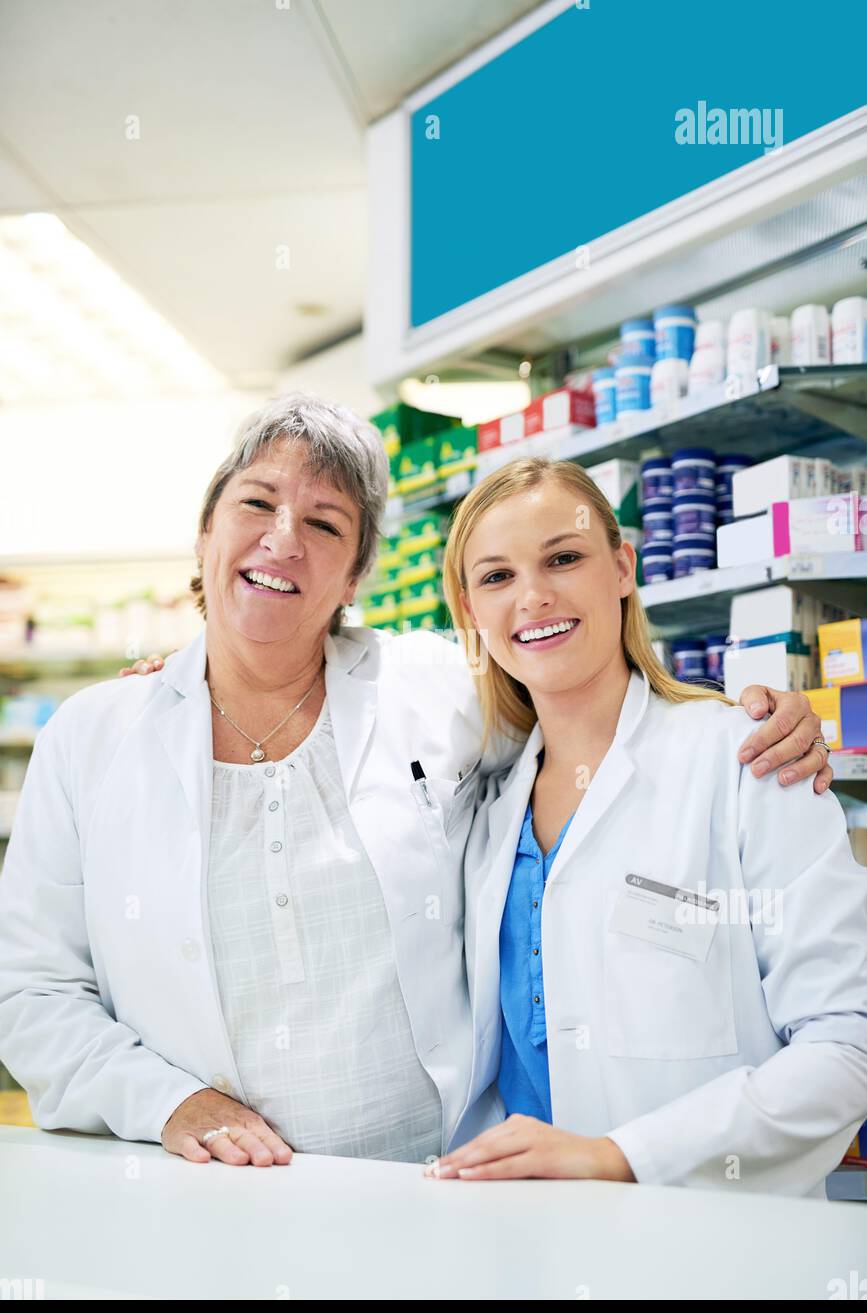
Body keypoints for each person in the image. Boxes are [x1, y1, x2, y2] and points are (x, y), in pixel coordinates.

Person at [0, 391, 828, 1170]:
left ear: (356, 575)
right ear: (204, 532)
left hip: (433, 1189)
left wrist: (753, 716)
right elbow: (31, 992)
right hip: (207, 1189)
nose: (283, 539)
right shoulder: (94, 737)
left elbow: (586, 694)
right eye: (255, 504)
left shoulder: (439, 690)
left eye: (324, 524)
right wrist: (165, 1103)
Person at [428, 455, 867, 1197]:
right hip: (520, 1235)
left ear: (622, 567)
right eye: (496, 577)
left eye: (562, 559)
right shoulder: (485, 809)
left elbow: (846, 1041)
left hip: (713, 1249)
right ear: (470, 610)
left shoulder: (748, 759)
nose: (532, 597)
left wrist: (622, 1155)